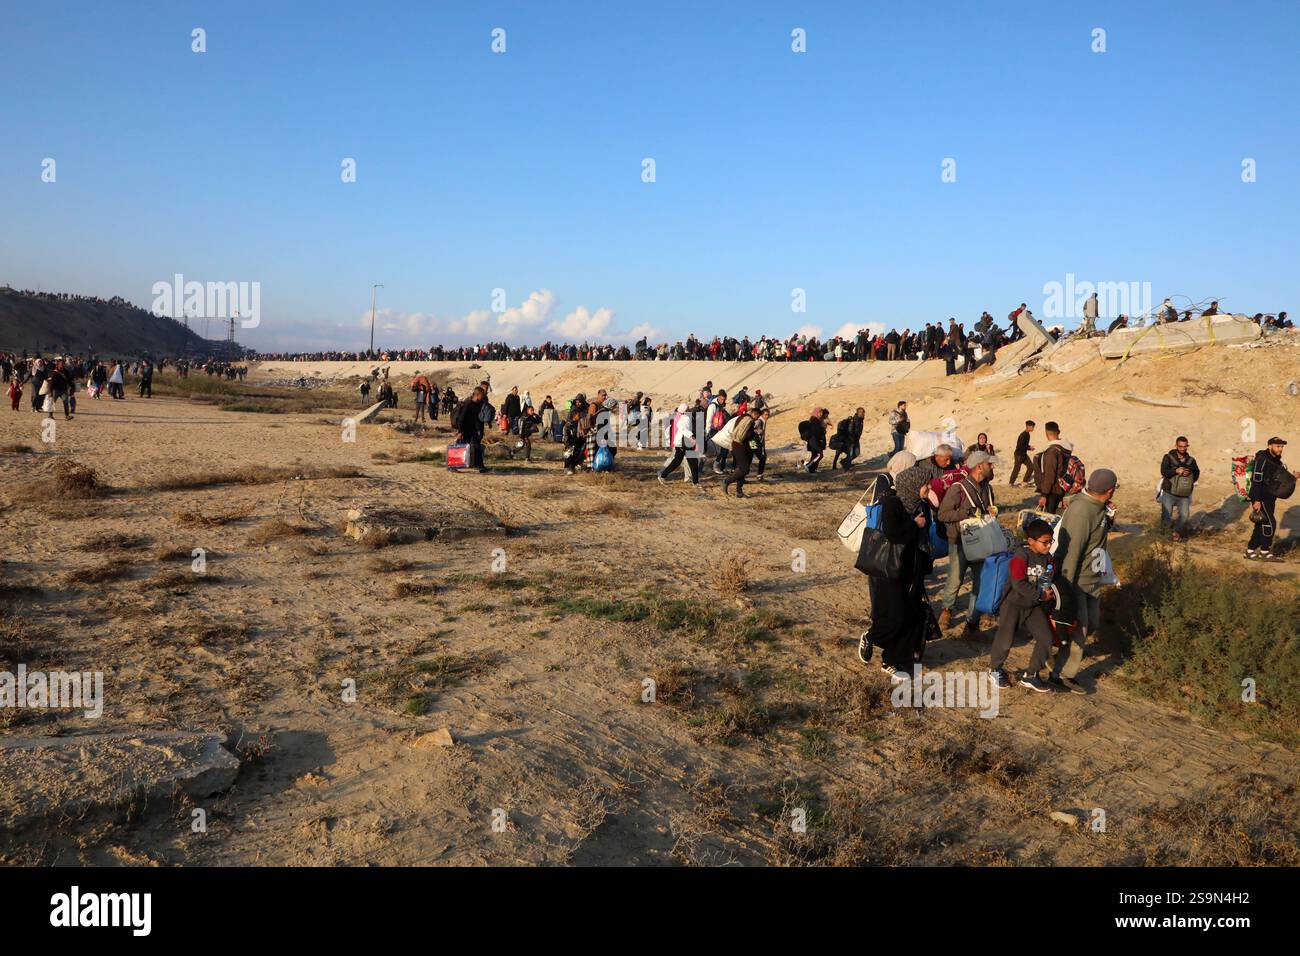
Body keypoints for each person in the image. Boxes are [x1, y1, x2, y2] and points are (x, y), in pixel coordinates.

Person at [857, 453, 933, 682]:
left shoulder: (922, 505)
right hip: (892, 568)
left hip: (913, 569)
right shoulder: (893, 503)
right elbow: (893, 534)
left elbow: (924, 538)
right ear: (913, 484)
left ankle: (892, 660)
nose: (928, 488)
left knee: (910, 614)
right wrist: (914, 524)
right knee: (896, 615)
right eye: (925, 484)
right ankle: (872, 637)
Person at [1049, 468, 1118, 693]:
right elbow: (1071, 551)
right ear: (1110, 490)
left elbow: (1094, 539)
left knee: (1092, 624)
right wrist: (1066, 588)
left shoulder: (1097, 508)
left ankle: (1053, 654)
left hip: (1092, 580)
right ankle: (1061, 675)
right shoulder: (1081, 511)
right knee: (1079, 630)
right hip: (1076, 582)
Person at [989, 519, 1058, 692]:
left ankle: (1031, 675)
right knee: (1005, 639)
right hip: (1013, 604)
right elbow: (1018, 583)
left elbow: (1047, 580)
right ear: (1031, 541)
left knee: (1046, 639)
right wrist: (1041, 595)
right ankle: (995, 669)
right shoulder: (1021, 556)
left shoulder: (1048, 559)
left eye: (1051, 541)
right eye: (1045, 542)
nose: (1049, 545)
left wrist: (1046, 593)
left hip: (1033, 606)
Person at [936, 449, 997, 636]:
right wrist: (966, 513)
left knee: (980, 582)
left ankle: (972, 622)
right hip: (960, 541)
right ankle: (946, 610)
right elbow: (943, 515)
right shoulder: (958, 488)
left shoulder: (988, 489)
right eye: (989, 464)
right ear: (980, 466)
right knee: (955, 578)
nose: (992, 466)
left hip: (983, 542)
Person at [1247, 437, 1297, 559]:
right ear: (1270, 446)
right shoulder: (1262, 459)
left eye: (1282, 447)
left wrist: (1294, 477)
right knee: (1270, 523)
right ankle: (1264, 552)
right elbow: (1256, 480)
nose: (1280, 449)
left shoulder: (1277, 461)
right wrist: (1256, 500)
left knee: (1261, 524)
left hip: (1270, 497)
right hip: (1261, 497)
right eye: (1277, 446)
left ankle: (1250, 551)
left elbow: (1279, 480)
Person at [1158, 436, 1200, 540]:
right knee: (1166, 517)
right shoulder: (1168, 457)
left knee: (1184, 517)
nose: (1183, 449)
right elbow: (1164, 471)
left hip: (1184, 494)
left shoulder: (1191, 461)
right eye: (1180, 446)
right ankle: (1164, 538)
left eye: (1185, 447)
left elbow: (1197, 472)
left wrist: (1189, 479)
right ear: (1176, 446)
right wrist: (1176, 471)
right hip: (1169, 492)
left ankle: (1175, 533)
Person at [722, 408, 762, 497]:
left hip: (736, 445)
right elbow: (747, 436)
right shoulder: (749, 421)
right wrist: (755, 433)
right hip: (740, 446)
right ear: (754, 414)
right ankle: (727, 481)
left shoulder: (741, 418)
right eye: (757, 417)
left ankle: (739, 492)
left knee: (741, 468)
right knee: (744, 469)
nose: (756, 419)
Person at [658, 402, 701, 485]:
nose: (689, 410)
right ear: (685, 410)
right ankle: (695, 482)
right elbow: (684, 429)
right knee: (692, 462)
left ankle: (662, 476)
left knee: (678, 462)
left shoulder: (678, 416)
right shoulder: (685, 418)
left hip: (680, 443)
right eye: (688, 409)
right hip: (684, 443)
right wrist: (692, 438)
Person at [1034, 422, 1070, 514]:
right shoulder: (1065, 449)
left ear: (1046, 433)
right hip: (1061, 489)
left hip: (1052, 491)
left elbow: (1050, 475)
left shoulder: (1052, 452)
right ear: (1058, 432)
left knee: (1050, 518)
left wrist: (1044, 495)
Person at [452, 385, 489, 473]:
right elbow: (461, 419)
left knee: (477, 446)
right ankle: (452, 466)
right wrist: (460, 432)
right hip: (464, 429)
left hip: (472, 429)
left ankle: (481, 467)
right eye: (481, 395)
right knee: (459, 448)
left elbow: (477, 418)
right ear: (477, 395)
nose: (483, 397)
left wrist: (479, 429)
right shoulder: (468, 404)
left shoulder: (478, 404)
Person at [1009, 420, 1037, 487]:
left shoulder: (1027, 434)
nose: (1033, 428)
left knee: (1031, 467)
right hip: (1019, 455)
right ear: (1028, 426)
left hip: (1024, 454)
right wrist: (1029, 448)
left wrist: (1029, 446)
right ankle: (1011, 483)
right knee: (1016, 469)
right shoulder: (1023, 435)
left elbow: (1024, 445)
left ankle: (1024, 481)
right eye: (1032, 427)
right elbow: (1020, 446)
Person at [561, 407, 584, 474]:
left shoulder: (579, 423)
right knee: (568, 455)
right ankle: (567, 468)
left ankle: (573, 467)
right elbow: (565, 434)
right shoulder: (568, 425)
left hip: (577, 442)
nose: (579, 416)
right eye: (578, 414)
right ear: (574, 415)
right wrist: (568, 443)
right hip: (569, 443)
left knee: (577, 455)